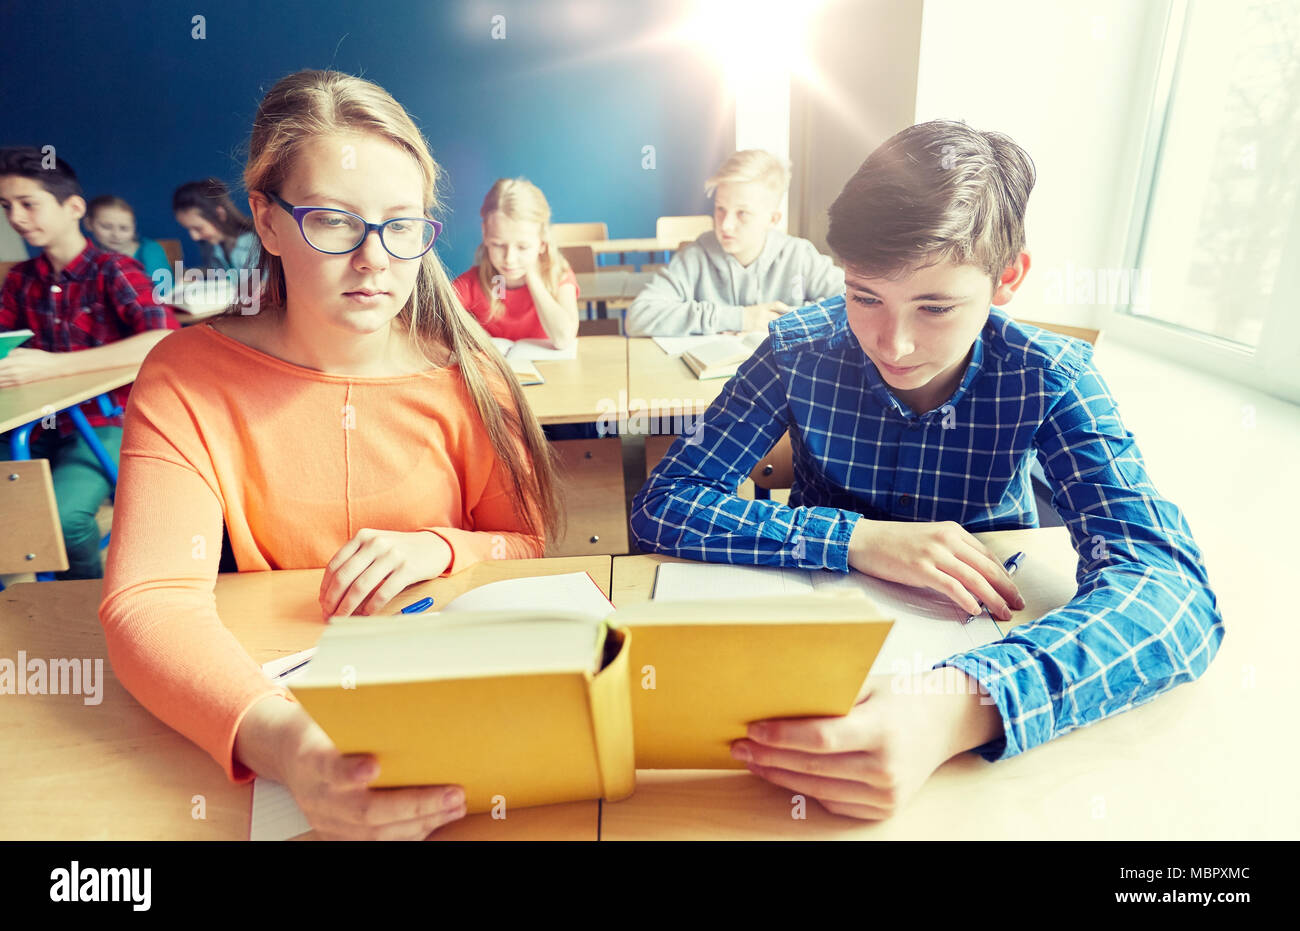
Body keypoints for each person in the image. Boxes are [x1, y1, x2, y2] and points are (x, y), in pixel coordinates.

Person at [629, 120, 1224, 821]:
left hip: (984, 687)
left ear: (1009, 279)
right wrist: (856, 538)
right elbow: (663, 502)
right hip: (811, 668)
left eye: (936, 306)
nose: (895, 342)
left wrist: (958, 705)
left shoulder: (1052, 377)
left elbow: (1172, 590)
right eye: (864, 295)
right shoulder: (798, 348)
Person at [99, 70, 564, 840]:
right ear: (268, 221)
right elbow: (149, 600)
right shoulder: (187, 377)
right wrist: (284, 741)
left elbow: (528, 546)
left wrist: (441, 545)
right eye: (336, 222)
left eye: (402, 224)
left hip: (458, 731)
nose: (376, 258)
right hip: (274, 711)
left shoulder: (472, 375)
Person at [0, 147, 179, 580]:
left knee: (63, 522)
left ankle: (81, 608)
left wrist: (52, 366)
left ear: (74, 207)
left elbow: (165, 339)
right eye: (6, 207)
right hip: (33, 424)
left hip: (106, 422)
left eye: (29, 204)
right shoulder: (22, 279)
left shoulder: (114, 269)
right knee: (16, 521)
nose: (17, 218)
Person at [624, 149, 844, 337]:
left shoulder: (800, 255)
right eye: (720, 209)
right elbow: (638, 317)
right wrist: (741, 318)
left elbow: (850, 303)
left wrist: (780, 321)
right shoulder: (696, 256)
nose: (725, 225)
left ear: (772, 219)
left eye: (742, 213)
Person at [451, 178, 579, 350]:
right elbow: (432, 325)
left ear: (542, 243)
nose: (509, 259)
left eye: (523, 247)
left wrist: (532, 277)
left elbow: (563, 339)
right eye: (498, 245)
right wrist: (472, 331)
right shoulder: (471, 283)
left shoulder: (559, 276)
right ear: (485, 234)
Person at [172, 177, 259, 270]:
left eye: (198, 228)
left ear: (220, 214)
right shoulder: (211, 247)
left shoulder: (256, 245)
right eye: (189, 229)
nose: (194, 237)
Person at [84, 195, 170, 281]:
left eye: (124, 228)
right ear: (88, 224)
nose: (116, 235)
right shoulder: (86, 254)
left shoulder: (150, 251)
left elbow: (163, 291)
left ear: (134, 228)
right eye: (106, 227)